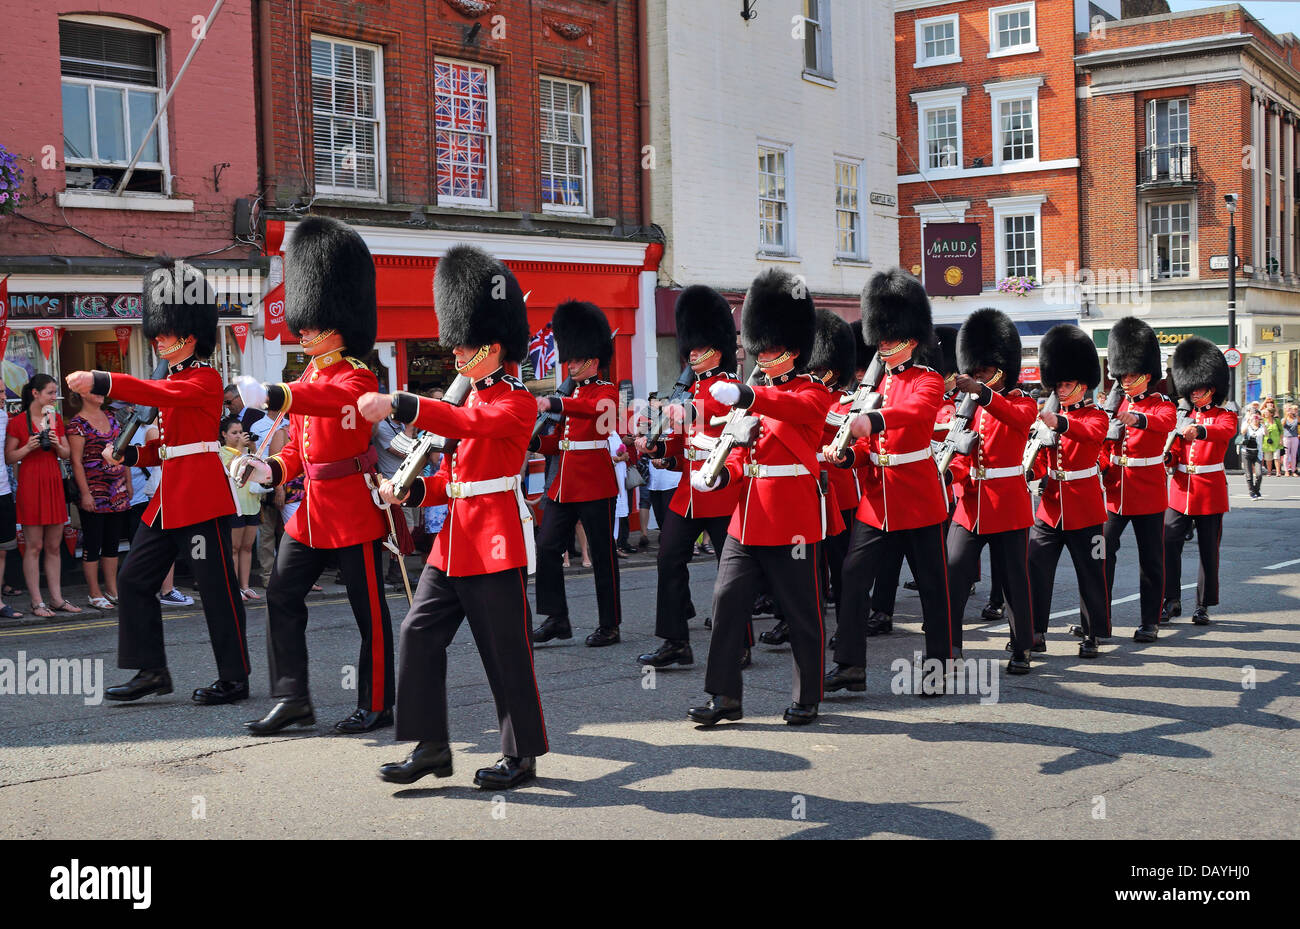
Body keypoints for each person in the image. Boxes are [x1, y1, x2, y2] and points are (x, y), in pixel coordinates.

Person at [361, 243, 548, 790]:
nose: (457, 354)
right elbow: (456, 481)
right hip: (454, 543)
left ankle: (522, 755)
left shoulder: (516, 402)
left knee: (505, 653)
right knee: (418, 634)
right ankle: (431, 746)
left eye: (465, 347)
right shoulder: (466, 406)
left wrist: (400, 403)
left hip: (495, 539)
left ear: (493, 348)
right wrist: (411, 493)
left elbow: (474, 431)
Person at [232, 215, 395, 735]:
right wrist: (268, 467)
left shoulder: (357, 374)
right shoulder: (306, 373)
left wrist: (277, 394)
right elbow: (301, 449)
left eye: (312, 323)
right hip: (312, 509)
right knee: (280, 595)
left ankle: (377, 701)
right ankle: (292, 698)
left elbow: (332, 403)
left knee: (367, 611)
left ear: (338, 323)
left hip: (353, 503)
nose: (302, 331)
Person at [66, 260, 251, 705]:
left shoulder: (204, 379)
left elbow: (162, 399)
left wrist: (105, 380)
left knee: (216, 590)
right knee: (132, 580)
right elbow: (170, 448)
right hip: (169, 500)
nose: (157, 339)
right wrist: (129, 454)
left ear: (188, 336)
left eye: (165, 332)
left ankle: (234, 677)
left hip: (201, 500)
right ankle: (152, 671)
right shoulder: (172, 378)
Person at [688, 268, 828, 726]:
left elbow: (795, 410)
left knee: (801, 611)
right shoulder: (754, 395)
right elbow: (738, 456)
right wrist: (720, 478)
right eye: (759, 346)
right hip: (746, 520)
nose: (763, 355)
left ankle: (807, 696)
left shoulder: (811, 393)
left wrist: (749, 395)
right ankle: (724, 696)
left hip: (791, 520)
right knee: (726, 605)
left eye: (770, 348)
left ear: (791, 349)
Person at [824, 270, 952, 696]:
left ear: (910, 339)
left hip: (916, 498)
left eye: (889, 337)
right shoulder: (876, 384)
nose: (881, 345)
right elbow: (867, 447)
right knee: (854, 578)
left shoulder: (928, 379)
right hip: (878, 501)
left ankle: (940, 665)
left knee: (934, 588)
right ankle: (850, 666)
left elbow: (916, 414)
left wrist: (872, 418)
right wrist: (847, 456)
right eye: (879, 338)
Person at [636, 285, 747, 669]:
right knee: (668, 559)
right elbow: (681, 449)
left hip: (721, 489)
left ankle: (740, 642)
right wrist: (658, 451)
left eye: (698, 350)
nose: (691, 355)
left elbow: (715, 416)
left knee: (730, 571)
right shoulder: (691, 388)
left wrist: (684, 413)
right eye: (690, 349)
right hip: (689, 493)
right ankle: (675, 641)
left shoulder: (729, 388)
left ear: (715, 349)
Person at [942, 308, 1037, 671]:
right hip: (970, 505)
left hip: (1007, 503)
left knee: (1014, 579)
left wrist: (982, 392)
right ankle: (950, 645)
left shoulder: (1020, 400)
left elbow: (1017, 419)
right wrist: (951, 475)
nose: (979, 376)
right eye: (976, 370)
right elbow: (960, 449)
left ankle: (1021, 647)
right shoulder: (966, 408)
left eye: (985, 370)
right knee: (953, 574)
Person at [529, 300, 623, 647]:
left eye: (575, 360)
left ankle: (609, 624)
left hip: (596, 484)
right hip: (563, 485)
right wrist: (536, 441)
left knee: (602, 555)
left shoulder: (605, 391)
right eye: (567, 359)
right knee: (547, 546)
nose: (569, 366)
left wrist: (557, 403)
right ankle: (557, 618)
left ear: (593, 360)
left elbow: (599, 414)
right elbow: (559, 444)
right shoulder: (570, 394)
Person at [1026, 325, 1110, 653]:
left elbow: (1089, 435)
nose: (1061, 390)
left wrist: (1058, 423)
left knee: (1090, 572)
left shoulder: (1096, 416)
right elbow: (1041, 461)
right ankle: (1035, 631)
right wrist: (1032, 471)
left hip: (1085, 507)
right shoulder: (1050, 418)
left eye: (1067, 384)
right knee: (1036, 568)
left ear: (1083, 385)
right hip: (1050, 507)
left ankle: (1093, 633)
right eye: (1058, 384)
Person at [1097, 317, 1176, 645]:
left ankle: (1150, 621)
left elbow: (1163, 423)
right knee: (1101, 553)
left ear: (1147, 376)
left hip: (1147, 492)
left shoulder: (1161, 405)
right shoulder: (1115, 404)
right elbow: (1102, 446)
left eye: (1131, 376)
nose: (1126, 381)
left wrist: (1137, 418)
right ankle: (1099, 619)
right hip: (1117, 491)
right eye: (1122, 375)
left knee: (1151, 560)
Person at [1164, 337, 1237, 626]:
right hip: (1181, 489)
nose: (1194, 393)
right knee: (1168, 541)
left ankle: (1203, 604)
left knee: (1208, 549)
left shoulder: (1225, 414)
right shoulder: (1181, 414)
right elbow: (1173, 449)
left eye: (1199, 388)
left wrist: (1199, 431)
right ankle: (1171, 599)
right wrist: (1168, 456)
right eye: (1191, 388)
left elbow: (1223, 432)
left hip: (1209, 490)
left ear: (1212, 388)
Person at [5, 374, 80, 618]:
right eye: (49, 392)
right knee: (34, 547)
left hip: (52, 484)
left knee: (53, 546)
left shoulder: (55, 418)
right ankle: (37, 601)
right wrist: (28, 447)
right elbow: (9, 457)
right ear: (35, 394)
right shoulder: (17, 421)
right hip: (31, 485)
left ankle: (56, 599)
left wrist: (58, 444)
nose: (53, 397)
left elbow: (67, 453)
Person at [67, 387, 132, 611]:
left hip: (117, 489)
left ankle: (112, 590)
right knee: (93, 543)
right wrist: (85, 493)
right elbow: (76, 462)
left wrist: (128, 482)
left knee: (112, 543)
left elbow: (122, 451)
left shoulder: (112, 417)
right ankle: (94, 593)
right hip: (94, 490)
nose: (101, 394)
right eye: (95, 391)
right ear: (83, 394)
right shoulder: (77, 424)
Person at [124, 419, 192, 607]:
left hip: (173, 486)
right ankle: (167, 590)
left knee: (172, 540)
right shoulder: (153, 430)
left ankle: (167, 589)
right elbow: (161, 456)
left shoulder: (165, 426)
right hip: (162, 487)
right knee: (165, 540)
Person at [217, 416, 265, 600]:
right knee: (234, 548)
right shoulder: (221, 452)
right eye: (234, 433)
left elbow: (262, 470)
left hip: (252, 503)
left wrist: (253, 450)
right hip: (234, 505)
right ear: (224, 434)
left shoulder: (246, 451)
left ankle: (245, 586)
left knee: (247, 547)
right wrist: (239, 449)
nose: (239, 436)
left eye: (240, 432)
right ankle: (233, 586)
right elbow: (229, 472)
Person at [0, 399, 20, 619]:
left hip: (3, 490)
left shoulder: (4, 417)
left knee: (3, 550)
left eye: (4, 391)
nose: (3, 396)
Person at [1240, 411, 1265, 499]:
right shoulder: (1246, 424)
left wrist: (1263, 423)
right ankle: (1251, 492)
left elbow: (1267, 434)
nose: (1255, 419)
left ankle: (1256, 490)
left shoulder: (1261, 427)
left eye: (1257, 417)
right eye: (1254, 417)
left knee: (1259, 474)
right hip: (1246, 452)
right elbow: (1243, 432)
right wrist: (1248, 421)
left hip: (1257, 453)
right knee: (1249, 474)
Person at [1262, 408, 1283, 478]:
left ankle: (1278, 472)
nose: (1265, 414)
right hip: (1266, 442)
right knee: (1268, 458)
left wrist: (1281, 439)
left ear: (1271, 413)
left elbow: (1281, 430)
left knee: (1276, 457)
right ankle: (1269, 471)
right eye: (1265, 412)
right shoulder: (1263, 421)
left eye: (1267, 412)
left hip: (1276, 441)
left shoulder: (1276, 421)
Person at [1283, 404, 1299, 477]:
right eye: (1288, 409)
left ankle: (1293, 470)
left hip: (1294, 438)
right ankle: (1286, 471)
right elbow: (1282, 424)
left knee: (1293, 455)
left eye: (1290, 409)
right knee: (1286, 455)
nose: (1289, 410)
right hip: (1286, 438)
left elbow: (1298, 421)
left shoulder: (1296, 418)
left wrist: (1294, 414)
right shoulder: (1284, 418)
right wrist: (1287, 416)